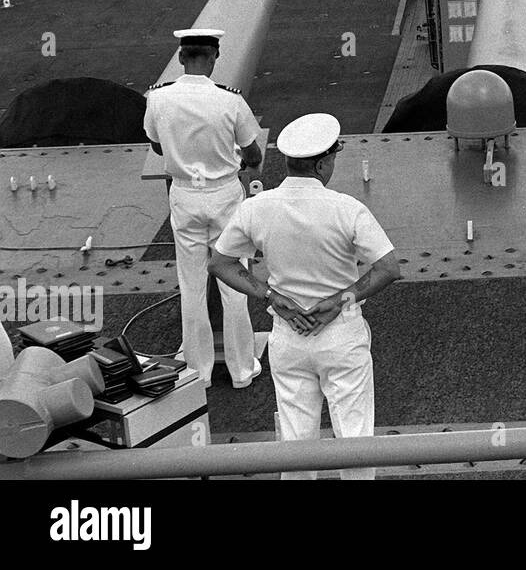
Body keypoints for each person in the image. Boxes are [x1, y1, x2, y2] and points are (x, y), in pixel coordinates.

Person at [212, 112, 401, 480]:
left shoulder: (256, 207)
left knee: (296, 447)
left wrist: (268, 296)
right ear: (322, 163)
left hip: (288, 336)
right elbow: (389, 268)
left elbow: (220, 262)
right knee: (355, 443)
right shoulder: (347, 209)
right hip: (341, 337)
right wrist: (343, 299)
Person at [142, 28, 262, 390]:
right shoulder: (231, 101)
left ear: (181, 58)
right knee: (235, 280)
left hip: (184, 196)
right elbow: (253, 154)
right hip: (224, 194)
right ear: (214, 58)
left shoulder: (157, 98)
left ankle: (198, 370)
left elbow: (158, 146)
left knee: (191, 283)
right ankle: (242, 370)